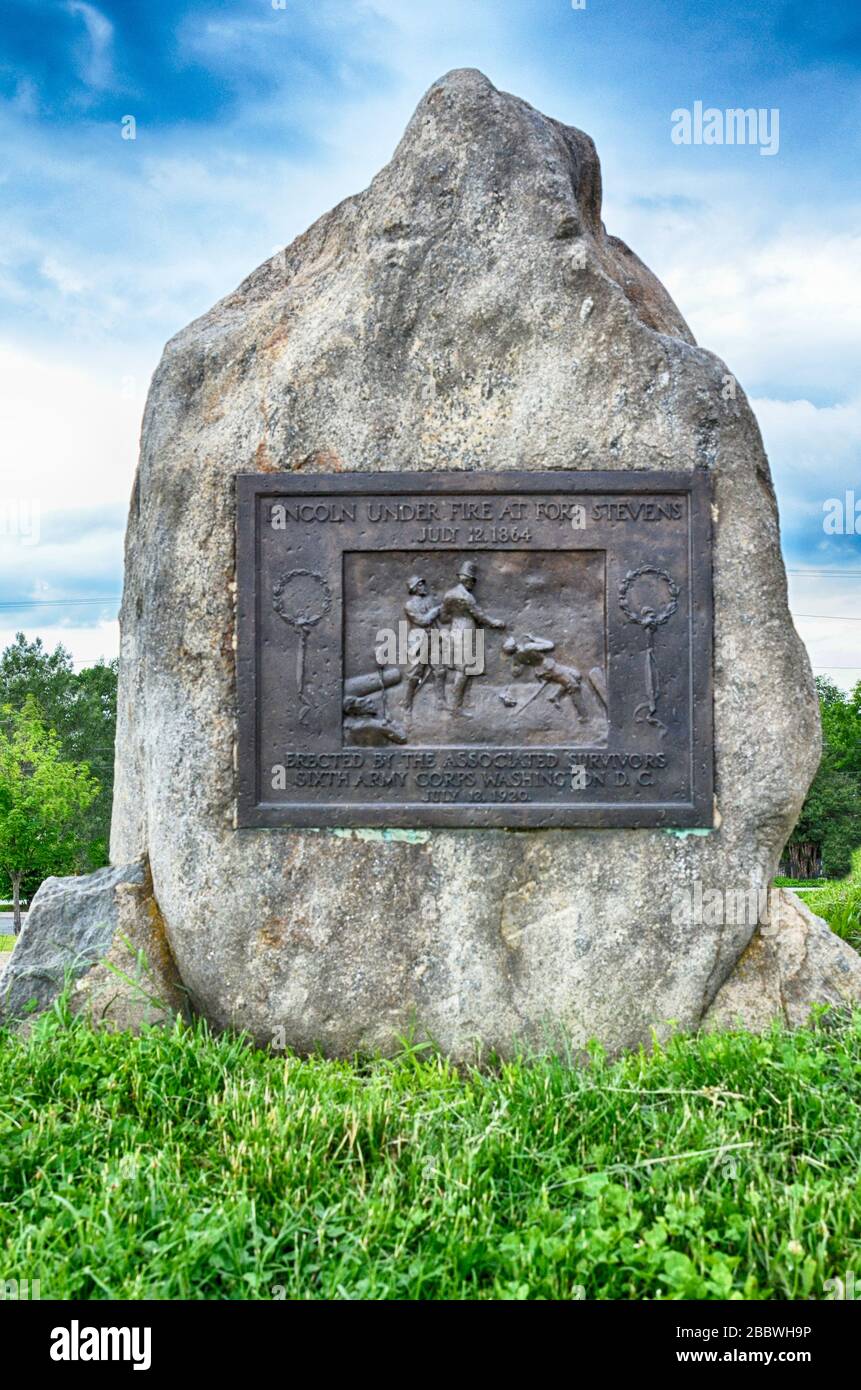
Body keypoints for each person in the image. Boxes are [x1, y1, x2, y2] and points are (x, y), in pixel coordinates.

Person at [439, 560, 505, 715]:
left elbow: (443, 617)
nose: (473, 585)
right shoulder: (467, 597)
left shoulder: (449, 595)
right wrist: (495, 623)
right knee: (463, 671)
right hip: (466, 632)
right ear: (467, 580)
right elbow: (479, 615)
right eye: (472, 581)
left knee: (464, 670)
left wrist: (456, 618)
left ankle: (461, 703)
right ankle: (455, 707)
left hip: (455, 630)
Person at [403, 575, 446, 713]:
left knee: (440, 670)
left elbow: (435, 621)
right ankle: (407, 702)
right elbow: (423, 620)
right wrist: (435, 611)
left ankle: (441, 701)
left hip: (432, 639)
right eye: (420, 585)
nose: (423, 587)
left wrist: (439, 634)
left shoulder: (429, 601)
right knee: (415, 674)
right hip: (419, 641)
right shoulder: (409, 605)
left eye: (423, 584)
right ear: (414, 588)